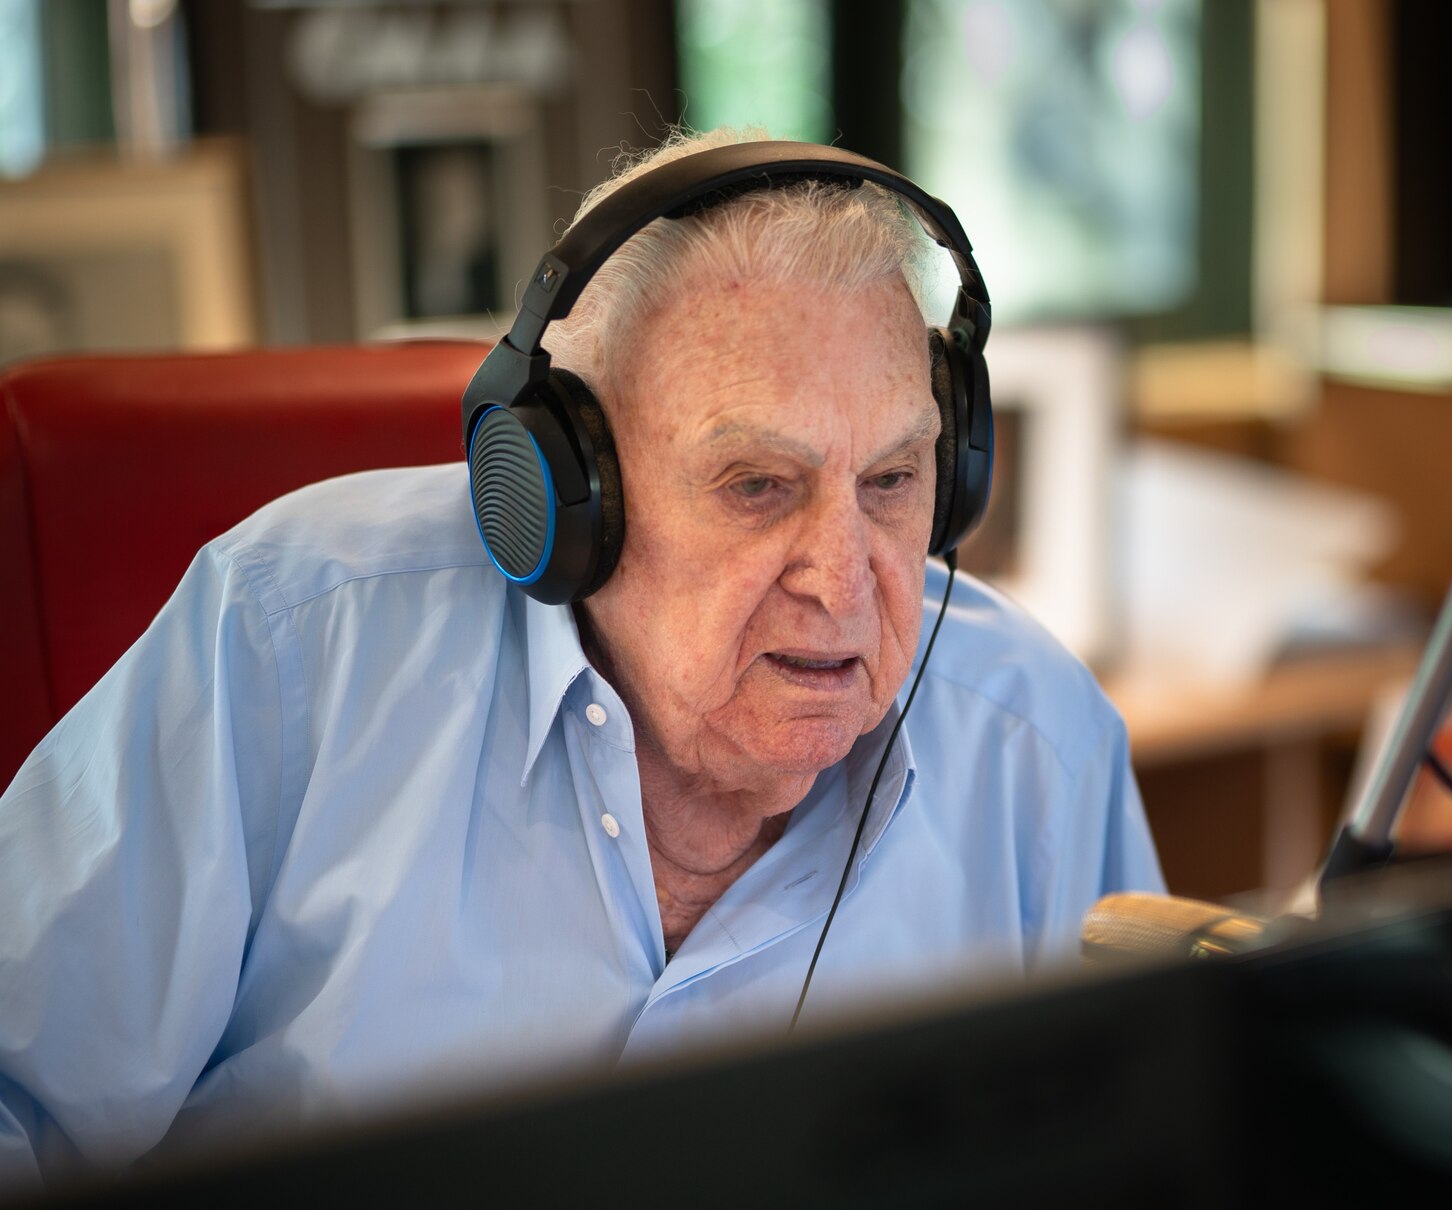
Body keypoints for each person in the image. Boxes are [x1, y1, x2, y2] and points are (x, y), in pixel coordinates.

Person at [0, 130, 1164, 1189]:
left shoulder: (1036, 746)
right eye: (758, 486)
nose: (844, 576)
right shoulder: (289, 646)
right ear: (566, 500)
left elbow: (1161, 1152)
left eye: (893, 482)